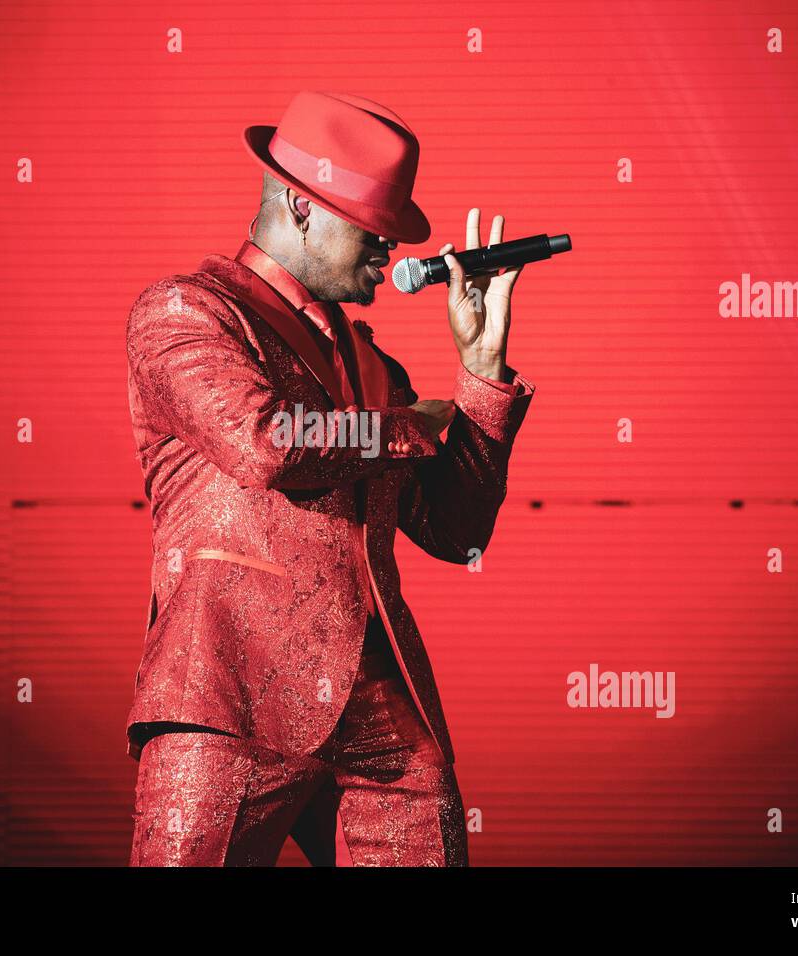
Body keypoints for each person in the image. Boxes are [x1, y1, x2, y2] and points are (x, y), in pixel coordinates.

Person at [123, 90, 536, 865]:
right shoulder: (184, 312)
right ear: (298, 208)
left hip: (381, 710)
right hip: (229, 695)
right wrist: (418, 423)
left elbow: (454, 530)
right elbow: (268, 444)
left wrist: (480, 378)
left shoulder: (373, 362)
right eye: (372, 228)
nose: (389, 248)